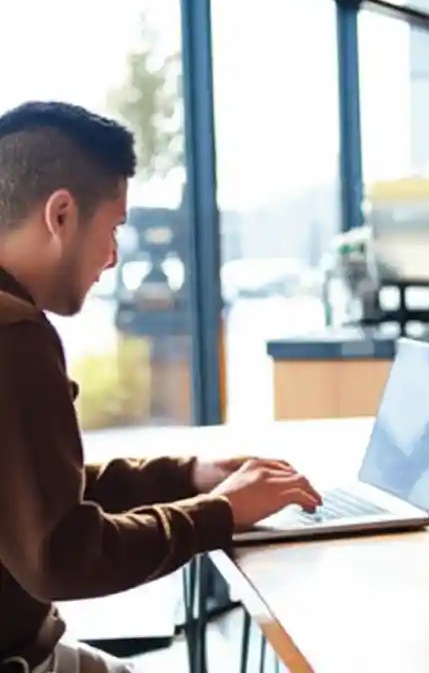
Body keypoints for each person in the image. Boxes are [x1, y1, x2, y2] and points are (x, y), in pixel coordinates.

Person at [0, 101, 323, 673]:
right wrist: (219, 512)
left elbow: (33, 492)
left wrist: (187, 477)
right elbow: (61, 554)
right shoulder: (14, 337)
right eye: (114, 227)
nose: (113, 256)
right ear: (61, 215)